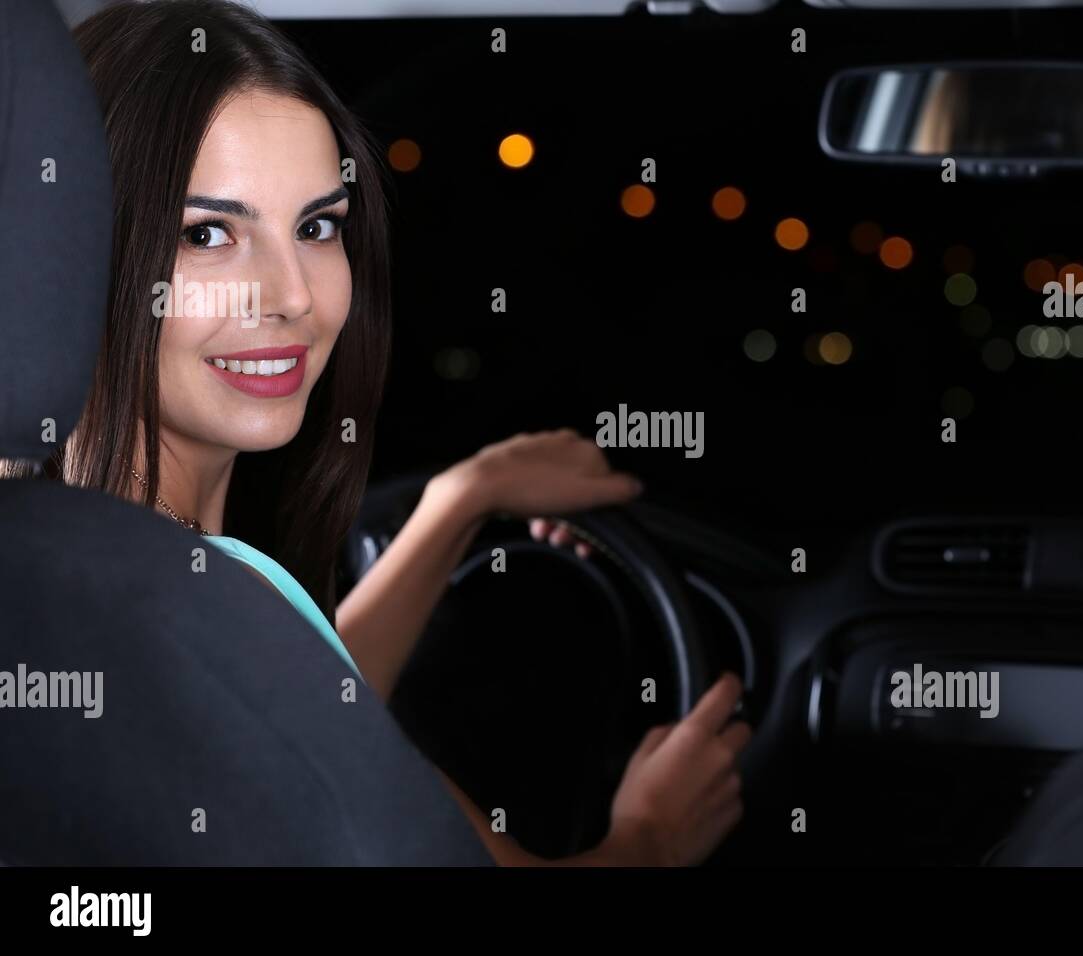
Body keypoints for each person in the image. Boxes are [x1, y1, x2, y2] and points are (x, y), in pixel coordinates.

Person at [16, 0, 750, 866]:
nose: (292, 294)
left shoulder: (57, 579)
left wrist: (460, 502)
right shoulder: (206, 598)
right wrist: (651, 840)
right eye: (208, 233)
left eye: (318, 226)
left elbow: (287, 704)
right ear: (81, 251)